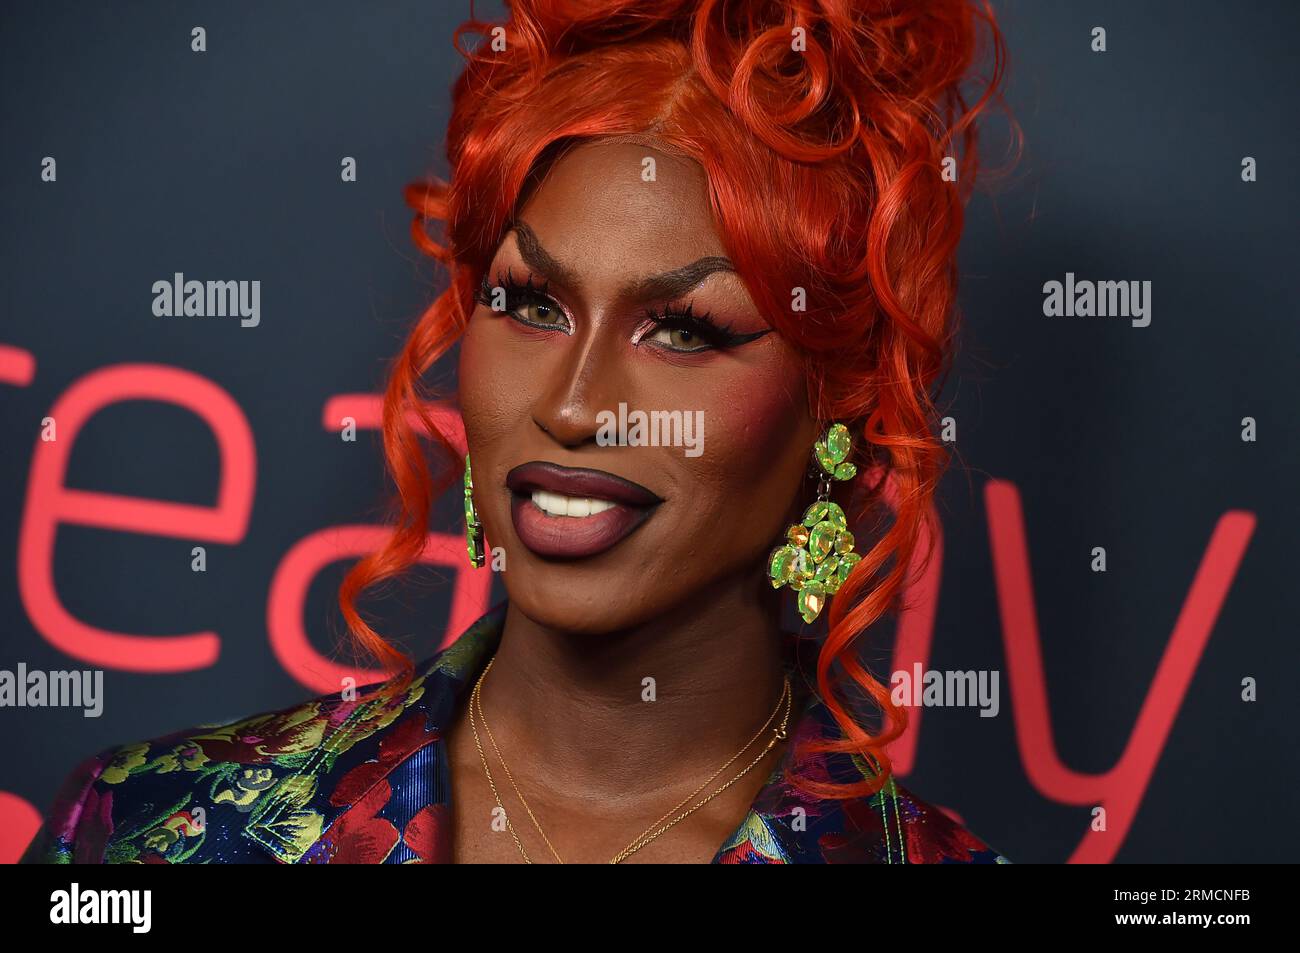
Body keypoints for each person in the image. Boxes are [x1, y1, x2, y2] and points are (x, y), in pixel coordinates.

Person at [22, 0, 1010, 864]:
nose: (575, 405)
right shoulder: (153, 825)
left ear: (832, 406)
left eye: (682, 329)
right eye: (533, 305)